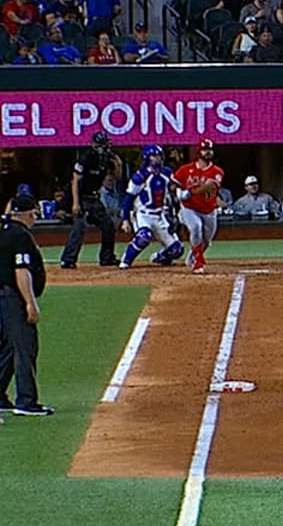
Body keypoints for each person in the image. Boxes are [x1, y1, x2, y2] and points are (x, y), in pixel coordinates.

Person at [0, 195, 50, 417]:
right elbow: (21, 271)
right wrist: (30, 302)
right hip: (12, 296)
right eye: (34, 214)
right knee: (24, 346)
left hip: (2, 296)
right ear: (29, 214)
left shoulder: (3, 230)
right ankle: (26, 401)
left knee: (9, 347)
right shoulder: (20, 235)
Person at [58, 131, 120, 269]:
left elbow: (117, 176)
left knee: (108, 225)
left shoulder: (106, 159)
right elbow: (75, 180)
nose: (103, 148)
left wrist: (117, 162)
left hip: (94, 197)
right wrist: (75, 203)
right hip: (82, 196)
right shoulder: (87, 157)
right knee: (79, 227)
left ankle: (107, 257)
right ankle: (68, 259)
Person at [117, 145, 184, 269]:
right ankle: (126, 260)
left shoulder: (167, 173)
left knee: (177, 249)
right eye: (154, 156)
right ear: (147, 158)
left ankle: (159, 257)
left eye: (159, 156)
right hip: (143, 214)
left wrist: (175, 214)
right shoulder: (141, 176)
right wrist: (125, 219)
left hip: (160, 215)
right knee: (144, 237)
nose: (157, 159)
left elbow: (174, 190)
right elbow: (129, 197)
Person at [171, 139, 223, 273]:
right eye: (205, 150)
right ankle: (198, 262)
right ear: (199, 152)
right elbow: (173, 185)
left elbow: (208, 187)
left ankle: (192, 257)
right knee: (195, 227)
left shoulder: (217, 172)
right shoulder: (185, 170)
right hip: (189, 208)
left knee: (207, 240)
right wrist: (179, 192)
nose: (208, 152)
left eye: (210, 150)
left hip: (209, 210)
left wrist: (189, 192)